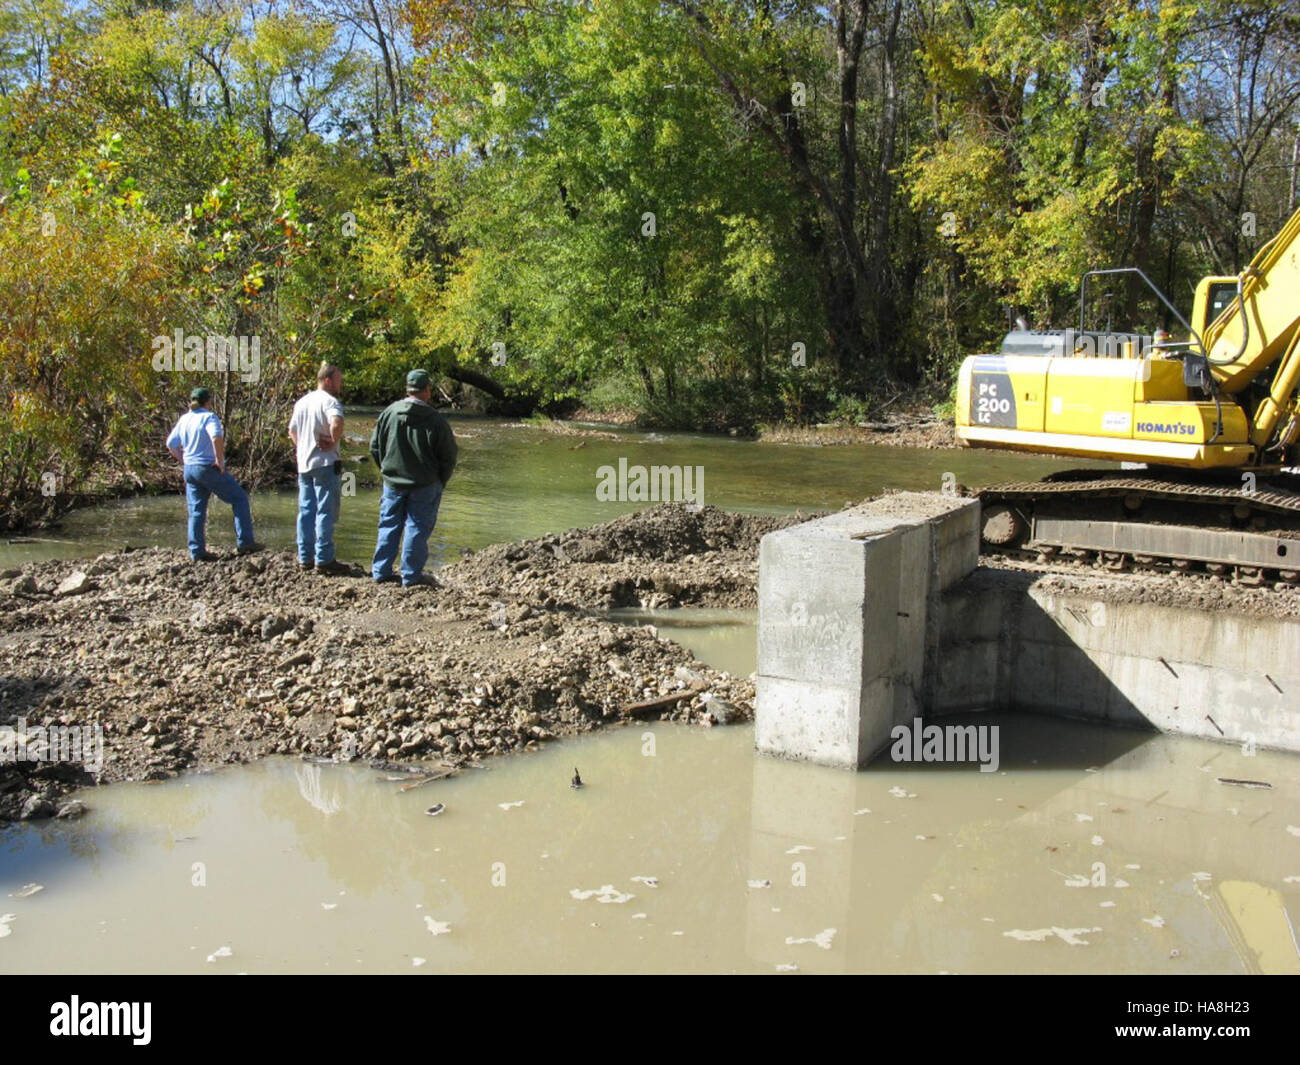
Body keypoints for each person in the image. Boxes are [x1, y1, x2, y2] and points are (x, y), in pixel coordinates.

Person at [369, 369, 458, 587]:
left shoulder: (389, 413)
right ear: (427, 390)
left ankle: (381, 572)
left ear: (408, 389)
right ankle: (411, 576)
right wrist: (440, 481)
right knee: (417, 528)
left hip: (393, 481)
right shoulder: (436, 420)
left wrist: (387, 469)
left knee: (388, 525)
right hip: (425, 483)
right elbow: (448, 456)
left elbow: (374, 447)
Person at [165, 387, 262, 562]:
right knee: (239, 498)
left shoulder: (184, 419)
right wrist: (220, 460)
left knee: (196, 511)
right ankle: (245, 542)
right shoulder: (209, 417)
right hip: (207, 467)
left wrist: (183, 460)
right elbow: (216, 436)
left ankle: (196, 551)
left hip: (190, 469)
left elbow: (171, 443)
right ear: (208, 402)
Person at [288, 363, 349, 574]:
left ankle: (305, 557)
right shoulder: (330, 401)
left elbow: (292, 430)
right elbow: (337, 422)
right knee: (325, 511)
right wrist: (333, 441)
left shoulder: (302, 402)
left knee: (305, 511)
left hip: (304, 463)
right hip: (325, 462)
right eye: (339, 380)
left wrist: (303, 446)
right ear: (328, 380)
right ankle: (324, 559)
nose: (341, 385)